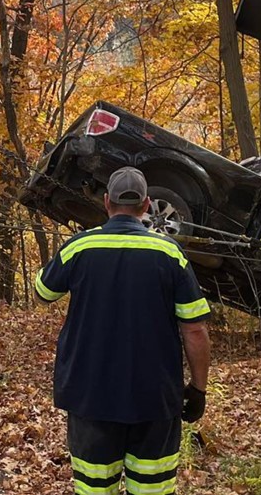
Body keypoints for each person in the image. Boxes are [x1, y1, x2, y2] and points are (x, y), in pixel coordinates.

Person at [34, 167, 211, 495]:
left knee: (95, 490)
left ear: (106, 202)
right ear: (145, 205)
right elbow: (195, 330)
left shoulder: (80, 247)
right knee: (152, 490)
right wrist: (198, 389)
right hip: (154, 401)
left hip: (90, 399)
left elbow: (43, 292)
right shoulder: (170, 253)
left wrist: (64, 254)